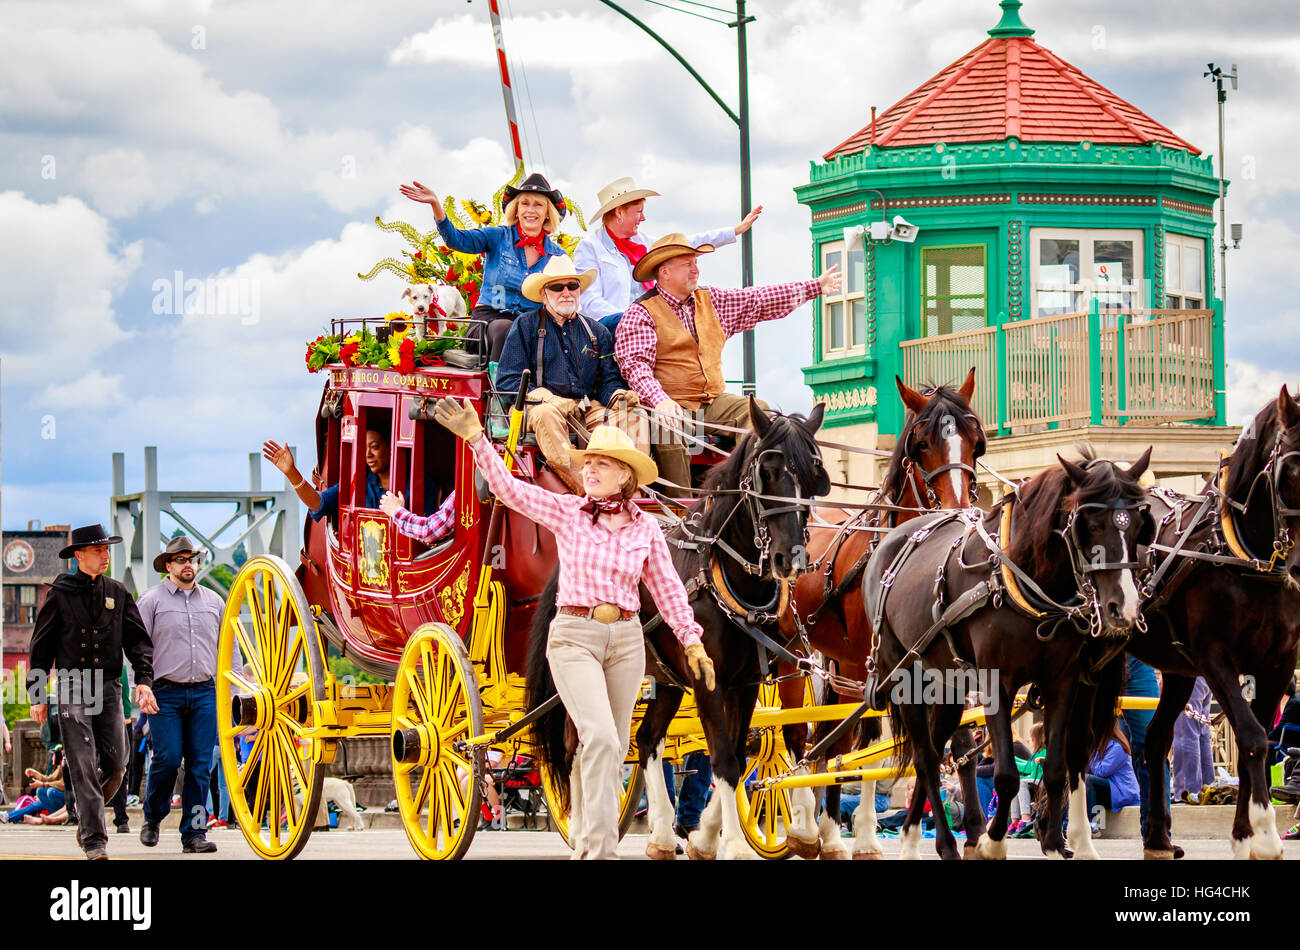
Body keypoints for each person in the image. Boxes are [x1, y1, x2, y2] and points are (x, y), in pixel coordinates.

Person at [431, 398, 715, 859]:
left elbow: (668, 591)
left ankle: (585, 841)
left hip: (626, 640)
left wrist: (692, 641)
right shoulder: (568, 511)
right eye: (589, 462)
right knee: (601, 737)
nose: (590, 470)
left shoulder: (646, 530)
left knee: (612, 744)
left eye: (602, 464)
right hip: (573, 636)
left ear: (625, 475)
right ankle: (599, 851)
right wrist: (477, 439)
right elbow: (509, 489)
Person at [614, 234, 841, 494]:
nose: (696, 269)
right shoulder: (640, 313)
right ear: (664, 272)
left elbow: (759, 299)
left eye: (695, 262)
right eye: (687, 263)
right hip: (671, 405)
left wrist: (815, 287)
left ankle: (751, 492)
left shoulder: (712, 300)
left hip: (712, 403)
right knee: (668, 429)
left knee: (760, 413)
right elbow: (635, 366)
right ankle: (682, 511)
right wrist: (660, 400)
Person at [26, 524, 157, 860]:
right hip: (72, 682)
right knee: (82, 762)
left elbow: (138, 640)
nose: (105, 555)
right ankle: (95, 840)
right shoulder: (59, 593)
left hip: (109, 685)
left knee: (117, 765)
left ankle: (85, 820)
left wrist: (143, 679)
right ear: (79, 556)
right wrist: (37, 695)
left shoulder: (118, 591)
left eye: (107, 550)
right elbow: (40, 647)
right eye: (99, 550)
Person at [494, 255, 649, 492]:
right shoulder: (525, 326)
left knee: (633, 413)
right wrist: (549, 398)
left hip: (586, 408)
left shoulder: (597, 331)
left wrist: (618, 395)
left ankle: (632, 494)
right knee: (546, 413)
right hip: (539, 408)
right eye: (557, 287)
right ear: (544, 295)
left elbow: (608, 381)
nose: (566, 292)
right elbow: (508, 383)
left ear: (579, 291)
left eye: (572, 286)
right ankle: (589, 494)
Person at [401, 172, 568, 364]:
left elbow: (566, 296)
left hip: (531, 326)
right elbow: (456, 240)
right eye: (525, 203)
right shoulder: (498, 236)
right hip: (488, 323)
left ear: (548, 212)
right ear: (516, 209)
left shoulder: (557, 255)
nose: (531, 210)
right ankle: (498, 391)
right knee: (506, 329)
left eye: (538, 204)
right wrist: (436, 205)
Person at [574, 176, 762, 332]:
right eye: (639, 212)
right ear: (619, 212)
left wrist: (734, 231)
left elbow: (686, 244)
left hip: (649, 333)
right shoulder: (590, 248)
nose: (643, 218)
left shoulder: (644, 244)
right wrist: (630, 321)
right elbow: (590, 302)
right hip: (610, 338)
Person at [135, 536, 227, 854]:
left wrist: (235, 690)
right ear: (169, 566)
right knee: (169, 759)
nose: (188, 564)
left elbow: (230, 649)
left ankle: (194, 833)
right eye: (181, 560)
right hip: (164, 693)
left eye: (192, 559)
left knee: (201, 765)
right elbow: (136, 648)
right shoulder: (150, 601)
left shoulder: (215, 602)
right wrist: (140, 685)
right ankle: (154, 815)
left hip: (204, 692)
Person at [264, 431, 439, 523]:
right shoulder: (359, 484)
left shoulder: (419, 485)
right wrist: (291, 472)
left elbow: (424, 527)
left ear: (391, 449)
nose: (368, 455)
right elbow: (318, 503)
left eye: (375, 447)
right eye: (364, 449)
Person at [1084, 724, 1141, 828]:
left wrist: (1089, 754)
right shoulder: (1099, 747)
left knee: (1087, 780)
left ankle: (1092, 825)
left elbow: (1101, 772)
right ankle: (1066, 822)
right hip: (1110, 789)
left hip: (1123, 792)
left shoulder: (1117, 747)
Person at [1172, 677, 1215, 802]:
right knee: (1201, 734)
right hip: (1204, 675)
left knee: (1186, 734)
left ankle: (1187, 792)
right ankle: (1207, 788)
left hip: (1189, 674)